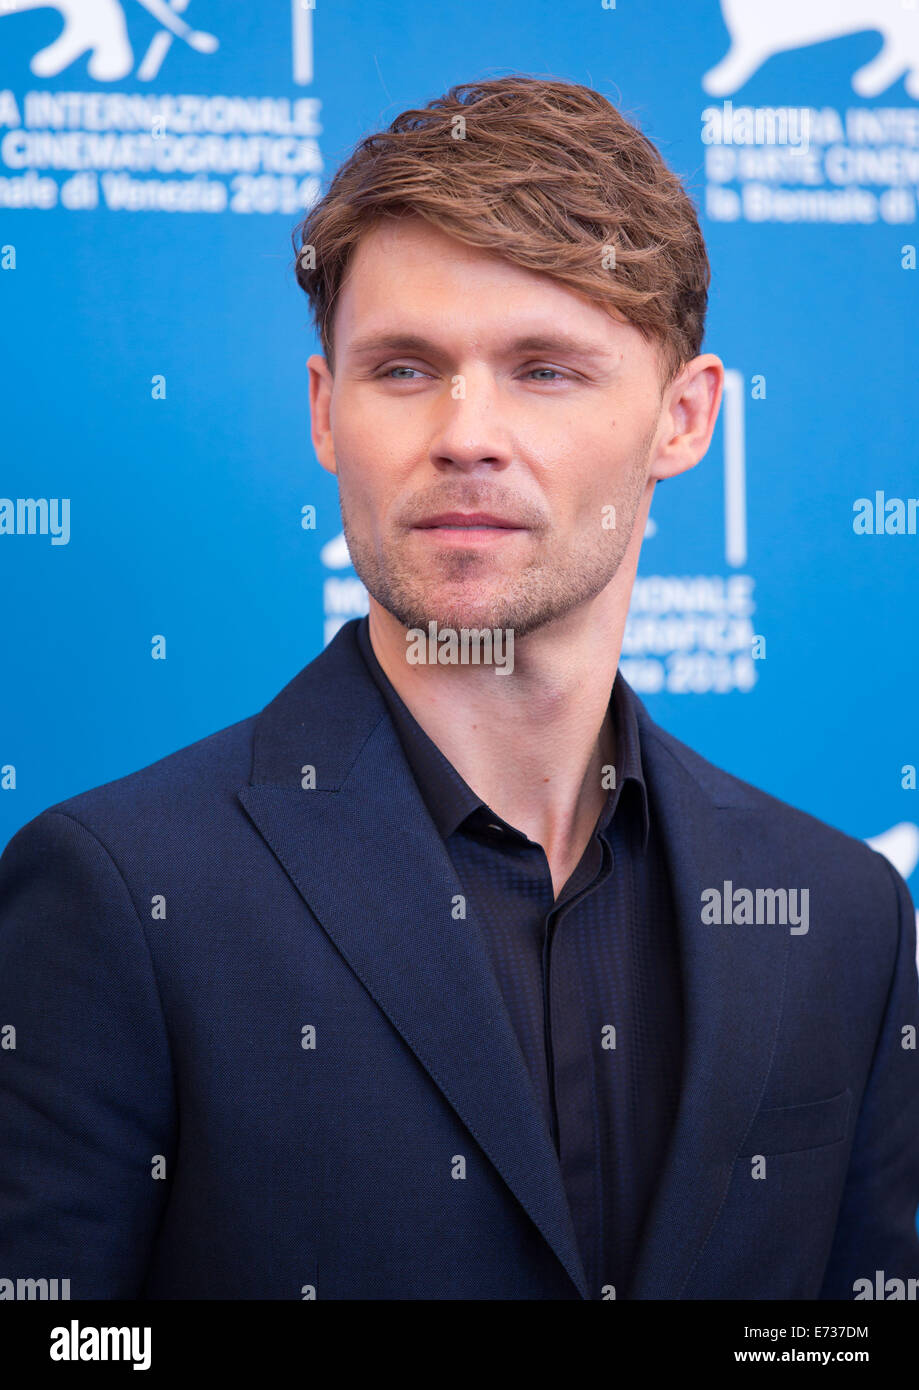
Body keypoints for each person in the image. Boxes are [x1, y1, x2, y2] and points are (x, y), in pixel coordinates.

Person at [1, 75, 917, 1301]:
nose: (465, 432)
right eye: (403, 369)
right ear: (326, 413)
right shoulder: (119, 892)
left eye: (544, 369)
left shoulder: (837, 914)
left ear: (684, 419)